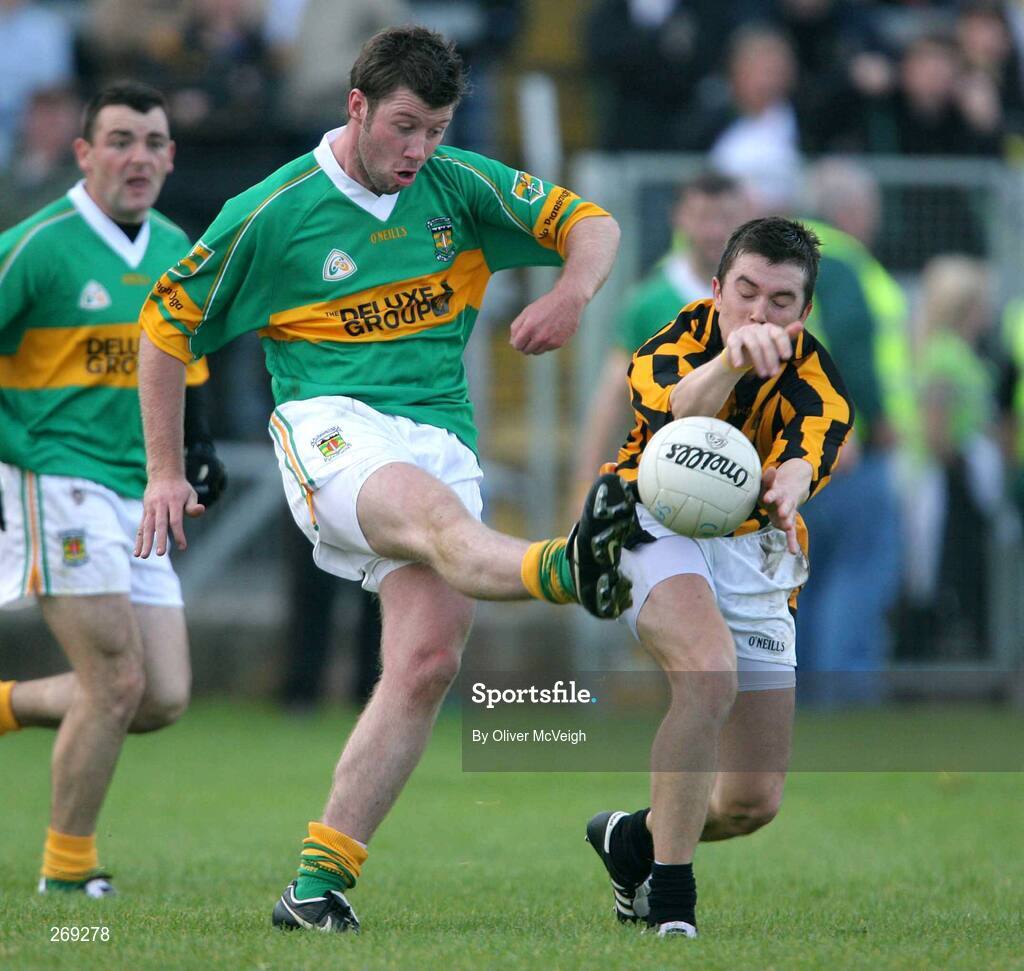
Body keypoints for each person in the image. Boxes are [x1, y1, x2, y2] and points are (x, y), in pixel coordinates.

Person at [133, 26, 633, 932]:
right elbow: (165, 325)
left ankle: (315, 887)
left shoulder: (458, 184)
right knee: (440, 521)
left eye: (436, 129)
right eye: (405, 126)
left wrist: (569, 294)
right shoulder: (273, 209)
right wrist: (164, 471)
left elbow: (594, 224)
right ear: (356, 105)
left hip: (438, 432)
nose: (420, 149)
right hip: (330, 430)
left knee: (427, 662)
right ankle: (568, 568)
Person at [586, 217, 853, 937]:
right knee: (707, 674)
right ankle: (672, 903)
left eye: (781, 301)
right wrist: (734, 357)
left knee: (749, 802)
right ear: (716, 289)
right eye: (746, 292)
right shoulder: (673, 341)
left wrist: (792, 486)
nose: (760, 313)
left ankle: (634, 838)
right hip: (650, 519)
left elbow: (809, 453)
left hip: (753, 550)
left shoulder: (819, 379)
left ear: (804, 312)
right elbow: (679, 413)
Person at [0, 81, 225, 896]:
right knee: (116, 682)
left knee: (159, 695)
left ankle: (9, 704)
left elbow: (183, 362)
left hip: (137, 490)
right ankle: (66, 877)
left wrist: (195, 444)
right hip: (54, 475)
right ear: (84, 153)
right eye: (122, 139)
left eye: (155, 142)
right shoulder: (37, 245)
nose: (140, 157)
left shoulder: (173, 247)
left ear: (171, 156)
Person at [571, 171, 749, 508]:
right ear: (679, 218)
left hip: (752, 482)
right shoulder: (649, 302)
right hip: (668, 487)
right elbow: (612, 396)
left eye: (725, 219)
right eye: (703, 218)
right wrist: (586, 483)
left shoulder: (764, 298)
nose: (714, 231)